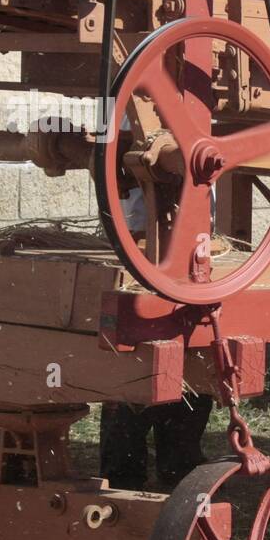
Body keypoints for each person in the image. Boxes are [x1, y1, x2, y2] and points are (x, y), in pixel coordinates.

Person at [99, 187, 213, 489]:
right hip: (137, 250)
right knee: (133, 375)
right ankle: (124, 476)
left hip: (191, 252)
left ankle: (178, 464)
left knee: (192, 361)